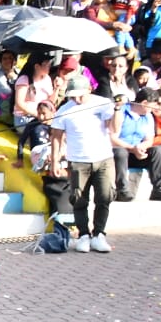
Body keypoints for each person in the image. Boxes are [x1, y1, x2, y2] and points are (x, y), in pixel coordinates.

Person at [50, 75, 120, 251]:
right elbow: (56, 137)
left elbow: (113, 128)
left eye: (80, 95)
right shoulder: (64, 110)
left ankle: (99, 234)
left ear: (89, 89)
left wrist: (117, 109)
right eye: (73, 96)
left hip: (103, 158)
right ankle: (83, 234)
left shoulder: (103, 103)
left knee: (105, 196)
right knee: (79, 199)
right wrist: (55, 161)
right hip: (78, 160)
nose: (77, 99)